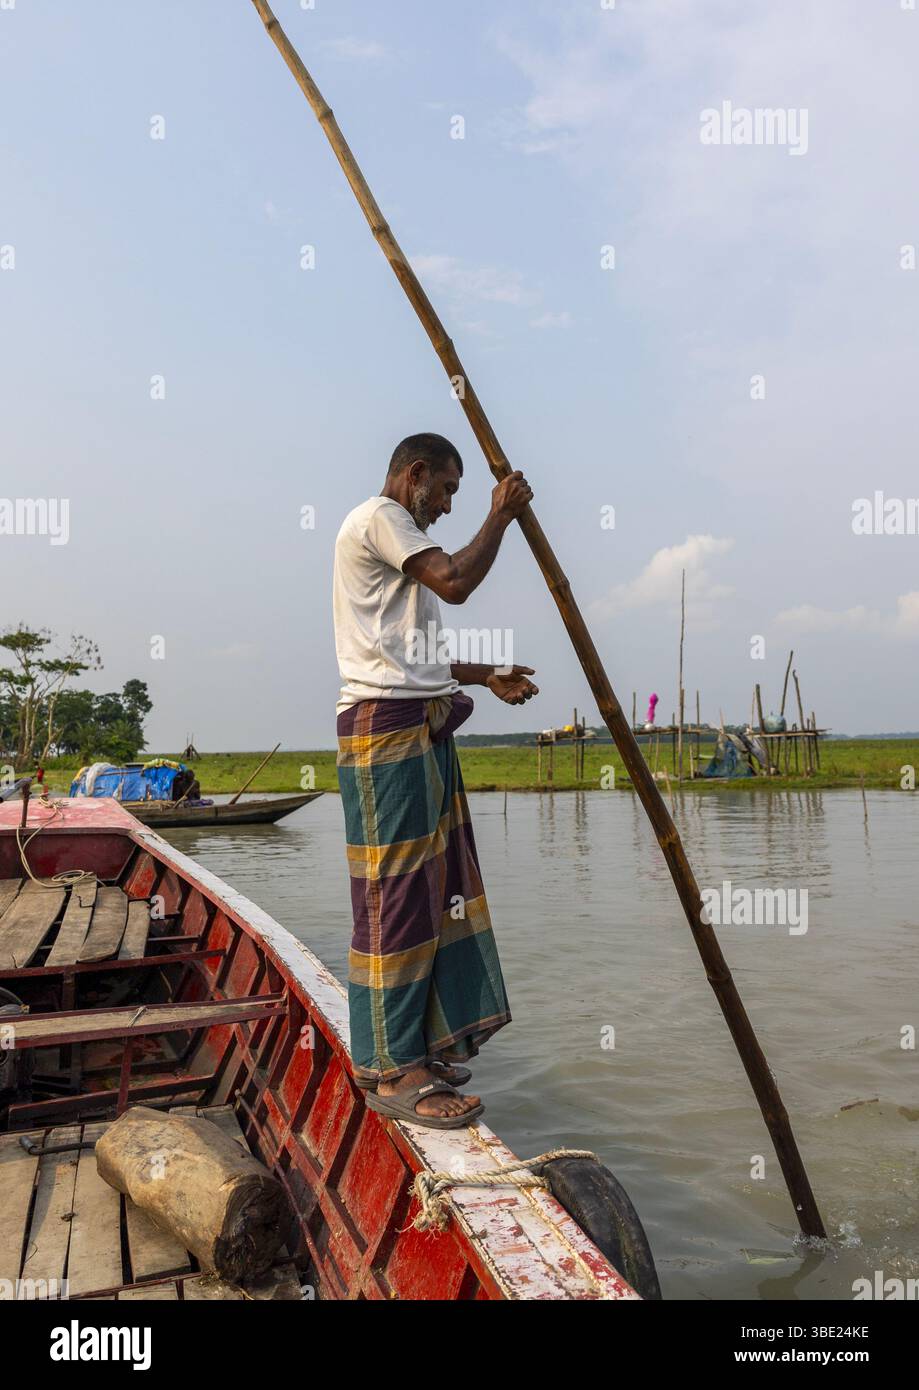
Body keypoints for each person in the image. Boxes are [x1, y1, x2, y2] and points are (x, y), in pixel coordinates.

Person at [333, 432, 538, 1129]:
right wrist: (501, 513)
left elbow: (419, 657)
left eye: (456, 493)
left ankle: (417, 1042)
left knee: (432, 891)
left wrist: (488, 675)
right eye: (445, 490)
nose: (448, 505)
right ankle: (391, 1069)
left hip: (413, 723)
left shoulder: (398, 547)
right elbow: (455, 581)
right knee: (394, 895)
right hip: (385, 730)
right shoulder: (381, 518)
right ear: (414, 475)